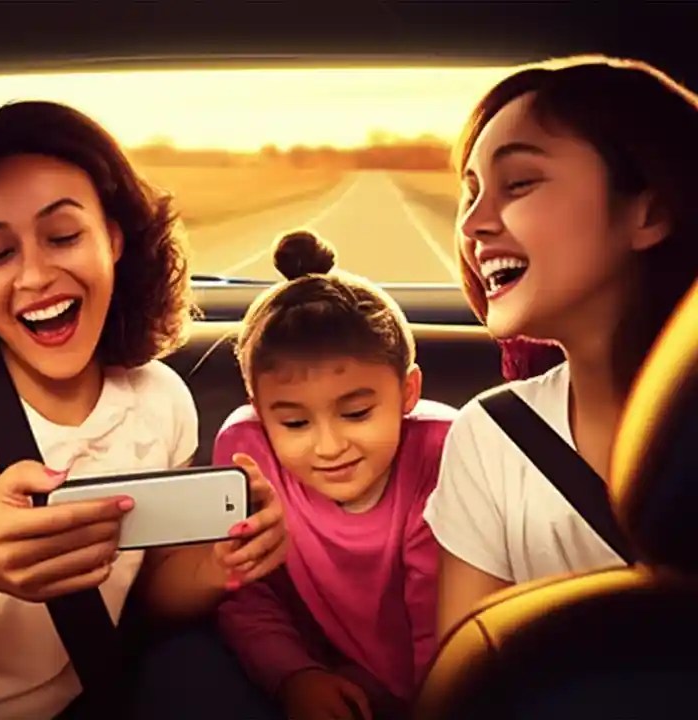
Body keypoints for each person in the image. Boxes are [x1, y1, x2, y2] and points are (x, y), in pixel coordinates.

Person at [0, 100, 289, 719]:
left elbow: (148, 594)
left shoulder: (161, 401)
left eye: (63, 237)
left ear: (114, 238)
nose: (34, 276)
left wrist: (223, 565)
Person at [424, 54, 698, 639]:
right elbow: (470, 678)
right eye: (468, 194)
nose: (472, 225)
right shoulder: (490, 438)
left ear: (650, 211)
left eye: (518, 183)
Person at [213, 230, 454, 720]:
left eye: (358, 413)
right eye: (296, 423)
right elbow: (247, 590)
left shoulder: (444, 452)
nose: (329, 447)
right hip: (339, 673)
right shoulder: (249, 454)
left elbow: (444, 617)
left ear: (408, 392)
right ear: (258, 412)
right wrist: (295, 675)